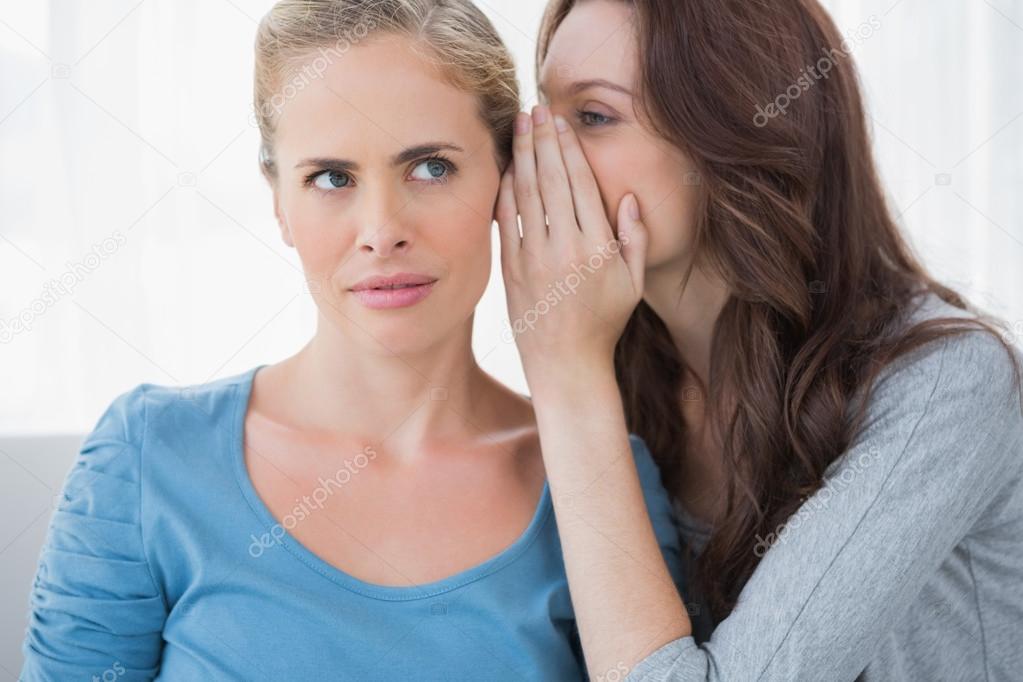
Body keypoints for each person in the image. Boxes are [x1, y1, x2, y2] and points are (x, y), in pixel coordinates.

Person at [20, 1, 682, 679]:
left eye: (430, 168)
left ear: (508, 179)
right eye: (331, 178)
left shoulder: (597, 475)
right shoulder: (147, 459)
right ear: (279, 200)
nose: (381, 229)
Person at [495, 0, 1023, 679]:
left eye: (593, 116)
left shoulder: (948, 384)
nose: (534, 155)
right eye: (541, 113)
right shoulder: (620, 367)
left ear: (731, 147)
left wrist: (565, 377)